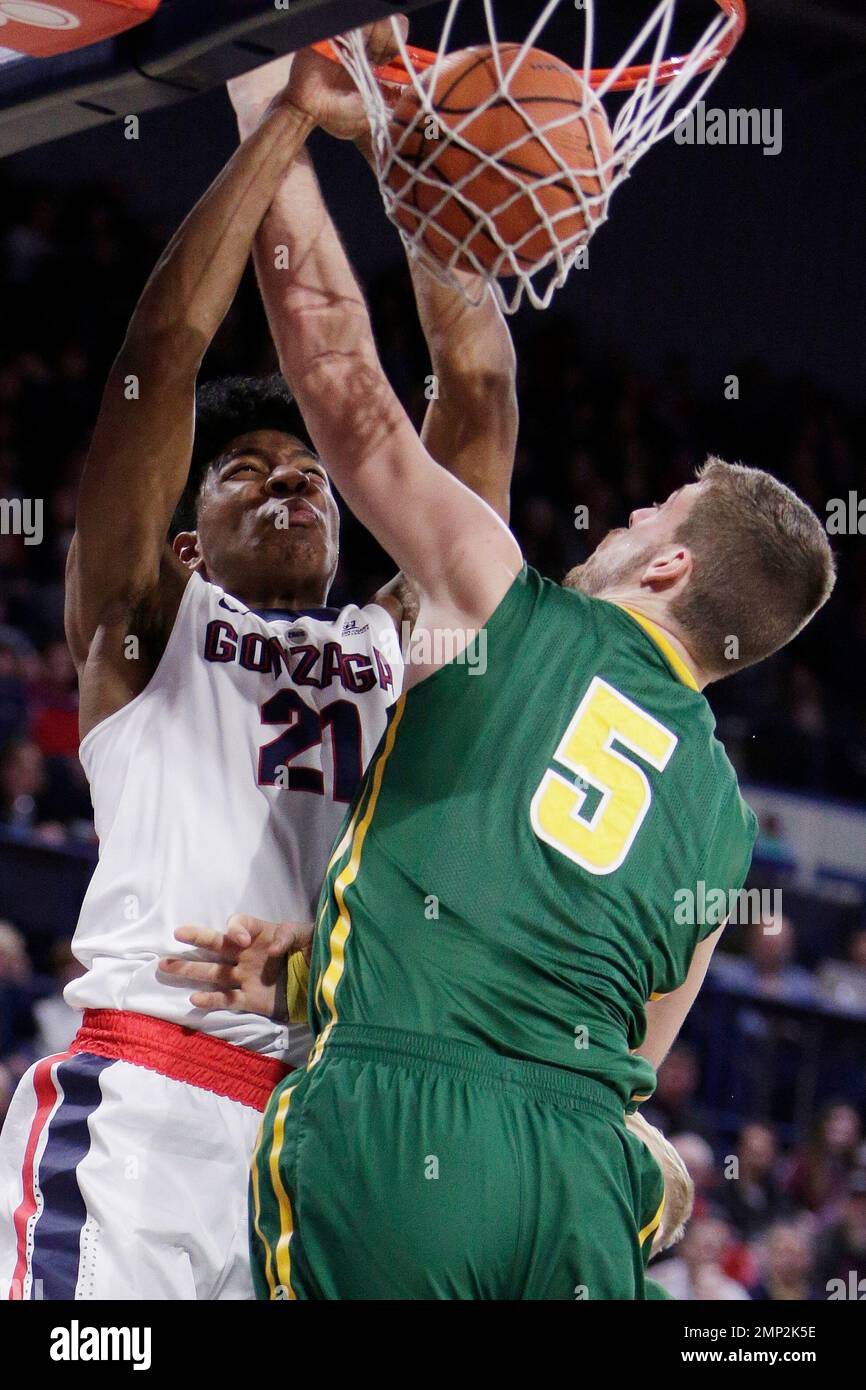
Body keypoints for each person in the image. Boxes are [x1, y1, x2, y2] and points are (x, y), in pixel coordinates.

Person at [166, 42, 836, 1300]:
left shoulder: (511, 608)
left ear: (671, 569)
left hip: (403, 1126)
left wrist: (266, 92)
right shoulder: (724, 825)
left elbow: (341, 380)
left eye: (648, 512)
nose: (621, 517)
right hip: (574, 1173)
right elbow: (614, 1051)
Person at [0, 27, 517, 1303]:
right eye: (250, 472)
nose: (295, 482)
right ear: (188, 538)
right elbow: (154, 362)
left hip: (313, 1143)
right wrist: (284, 120)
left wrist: (408, 148)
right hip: (143, 1109)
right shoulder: (145, 623)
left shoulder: (389, 645)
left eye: (312, 478)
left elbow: (478, 404)